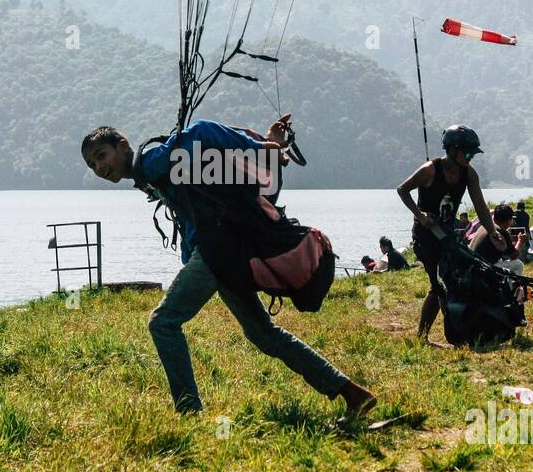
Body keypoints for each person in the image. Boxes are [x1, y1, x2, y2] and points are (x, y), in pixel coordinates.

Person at [81, 116, 376, 418]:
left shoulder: (150, 160)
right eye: (92, 164)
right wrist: (264, 145)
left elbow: (201, 130)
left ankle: (188, 412)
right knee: (264, 334)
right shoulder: (148, 174)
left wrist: (261, 147)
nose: (99, 167)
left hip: (217, 253)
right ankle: (352, 393)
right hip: (227, 253)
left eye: (102, 156)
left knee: (163, 322)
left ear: (123, 146)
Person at [396, 124, 506, 343]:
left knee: (456, 282)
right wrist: (420, 214)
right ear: (452, 150)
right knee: (438, 285)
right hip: (426, 235)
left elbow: (481, 206)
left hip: (447, 236)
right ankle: (426, 337)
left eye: (472, 154)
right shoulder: (430, 170)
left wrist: (493, 231)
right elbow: (402, 190)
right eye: (467, 153)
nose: (470, 158)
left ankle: (462, 330)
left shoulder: (469, 174)